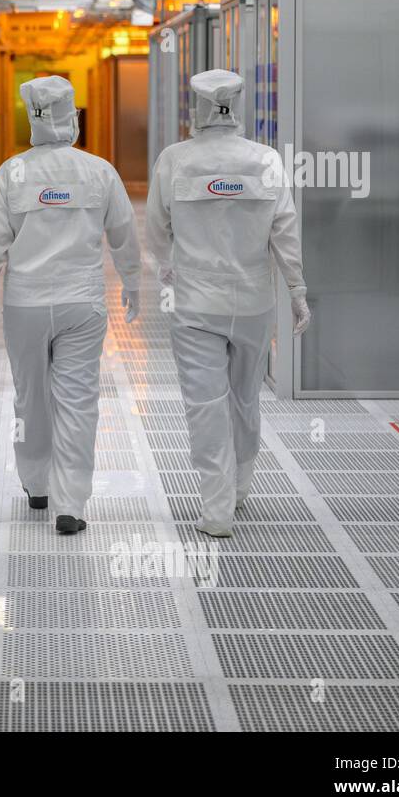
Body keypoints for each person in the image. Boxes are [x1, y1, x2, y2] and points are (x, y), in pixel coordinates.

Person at [0, 75, 142, 535]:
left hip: (25, 302)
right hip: (81, 303)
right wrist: (133, 281)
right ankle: (71, 502)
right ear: (72, 117)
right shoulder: (98, 170)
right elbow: (124, 235)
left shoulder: (12, 173)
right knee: (79, 401)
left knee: (30, 399)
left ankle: (37, 484)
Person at [146, 68, 309, 538]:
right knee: (245, 396)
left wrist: (167, 266)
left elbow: (156, 229)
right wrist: (296, 290)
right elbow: (286, 232)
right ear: (238, 105)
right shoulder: (266, 160)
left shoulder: (175, 160)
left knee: (205, 403)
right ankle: (240, 488)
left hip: (195, 303)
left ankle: (217, 506)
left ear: (194, 107)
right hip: (254, 300)